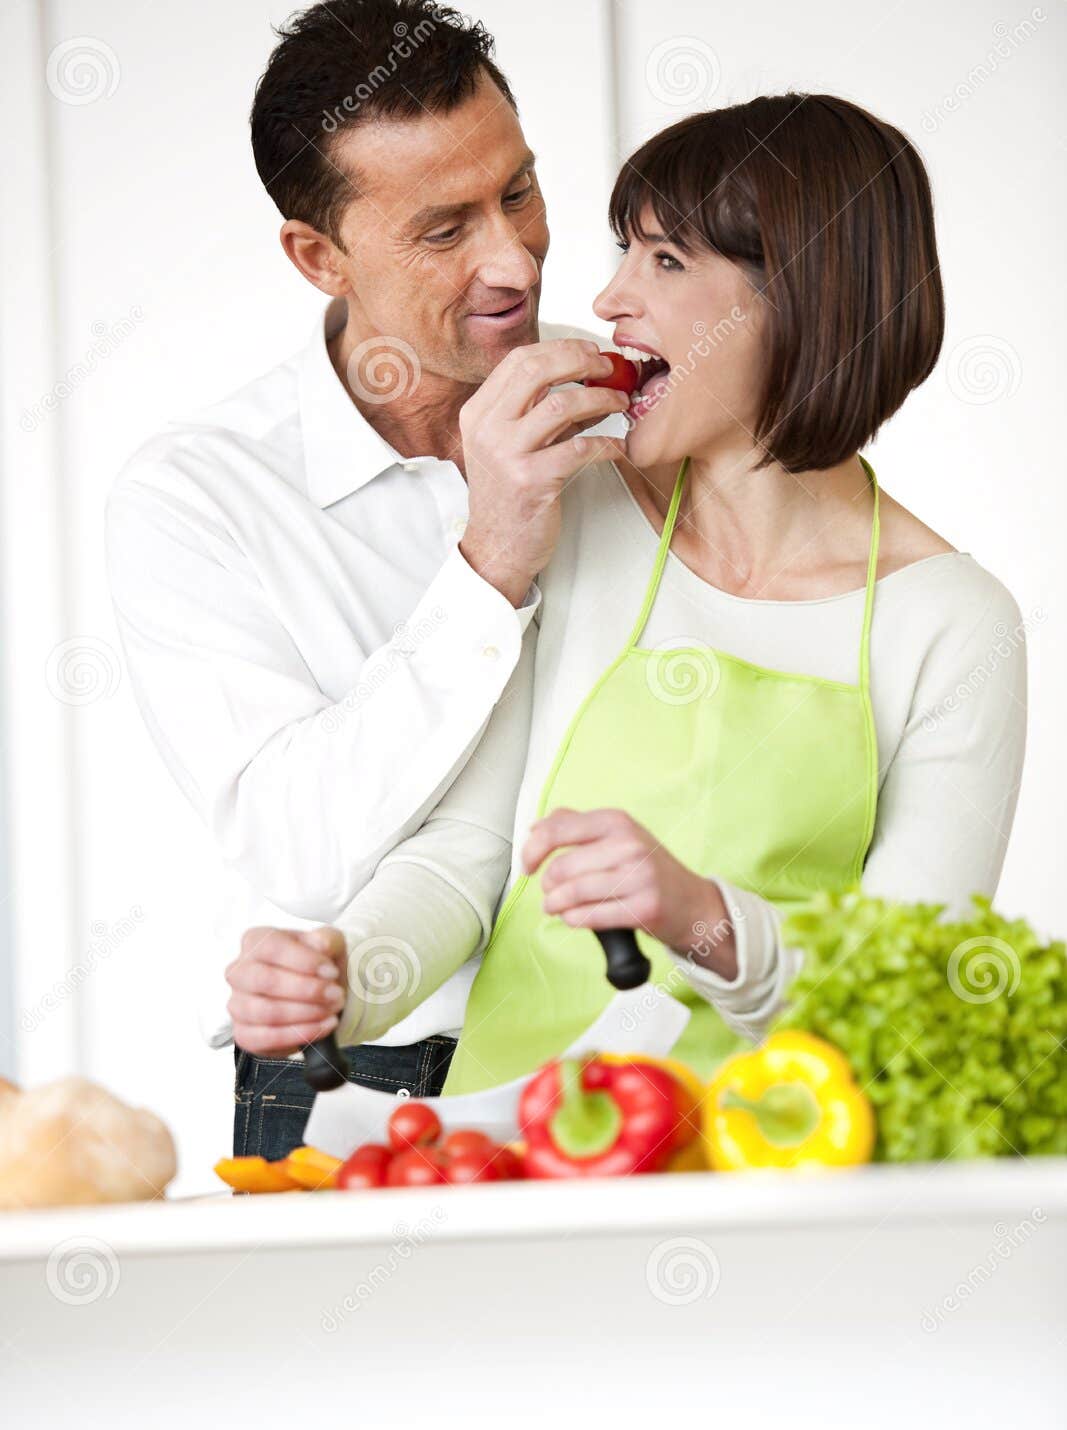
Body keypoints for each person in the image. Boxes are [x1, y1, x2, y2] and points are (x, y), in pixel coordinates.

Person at [227, 93, 1027, 1112]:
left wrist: (701, 916)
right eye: (621, 250)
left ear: (800, 293)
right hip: (513, 1152)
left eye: (665, 261)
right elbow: (468, 855)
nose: (605, 298)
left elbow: (913, 999)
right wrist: (347, 975)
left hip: (769, 1166)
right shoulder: (586, 512)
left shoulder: (953, 623)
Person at [105, 0, 627, 1143]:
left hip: (624, 1064)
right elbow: (299, 848)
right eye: (444, 231)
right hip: (348, 1090)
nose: (513, 260)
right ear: (317, 256)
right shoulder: (195, 500)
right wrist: (489, 556)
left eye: (519, 192)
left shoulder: (626, 430)